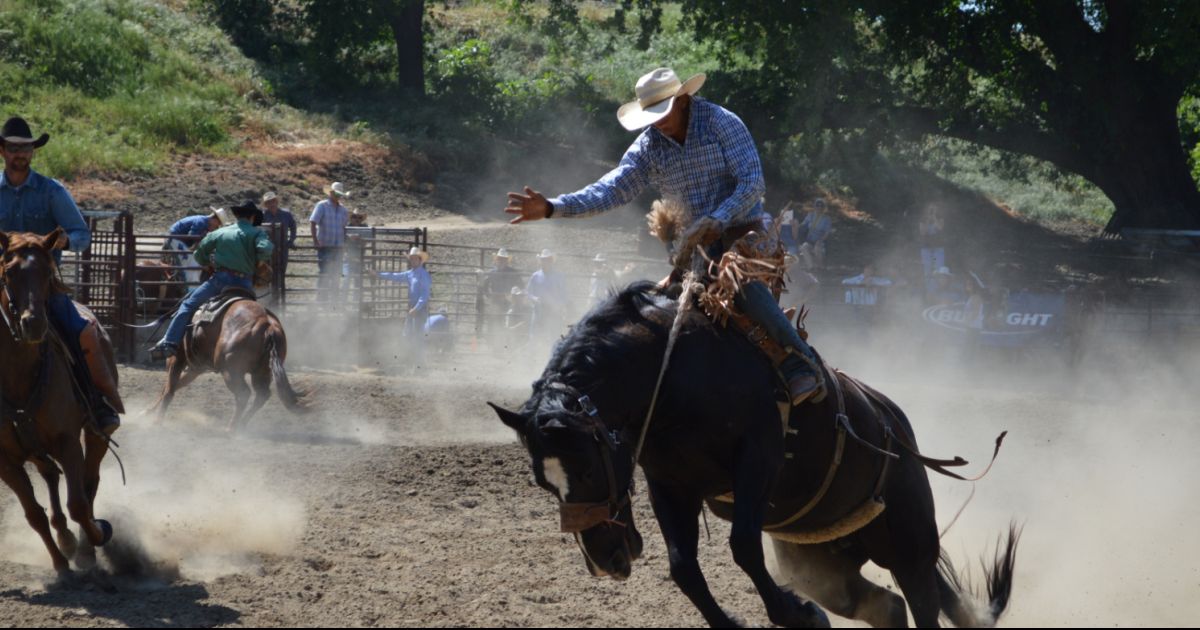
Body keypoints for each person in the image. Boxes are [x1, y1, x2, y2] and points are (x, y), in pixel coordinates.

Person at [504, 67, 823, 404]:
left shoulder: (721, 122)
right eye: (651, 116)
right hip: (695, 250)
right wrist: (554, 207)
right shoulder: (649, 146)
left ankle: (799, 362)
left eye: (663, 112)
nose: (657, 122)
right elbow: (613, 189)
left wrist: (718, 218)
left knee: (740, 280)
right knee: (644, 308)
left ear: (683, 99)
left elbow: (752, 182)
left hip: (744, 233)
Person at [0, 116, 123, 435]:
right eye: (13, 148)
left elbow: (82, 234)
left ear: (33, 152)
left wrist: (66, 240)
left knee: (81, 330)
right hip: (5, 284)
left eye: (25, 148)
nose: (20, 154)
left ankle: (98, 402)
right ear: (3, 151)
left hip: (44, 286)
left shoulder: (51, 191)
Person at [150, 201, 274, 359]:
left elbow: (199, 254)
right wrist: (258, 261)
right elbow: (266, 249)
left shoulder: (220, 232)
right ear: (252, 217)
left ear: (237, 215)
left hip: (220, 280)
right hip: (245, 283)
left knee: (188, 305)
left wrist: (208, 263)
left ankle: (170, 343)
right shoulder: (257, 233)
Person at [376, 246, 432, 364]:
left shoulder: (423, 275)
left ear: (420, 260)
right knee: (408, 335)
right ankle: (413, 362)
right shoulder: (410, 274)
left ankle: (419, 364)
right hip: (412, 309)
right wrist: (378, 274)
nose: (412, 261)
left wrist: (416, 308)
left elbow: (425, 295)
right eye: (411, 259)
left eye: (414, 259)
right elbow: (394, 276)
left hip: (418, 310)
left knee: (416, 337)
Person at [309, 182, 351, 304]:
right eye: (336, 193)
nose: (338, 196)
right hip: (325, 246)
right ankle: (322, 300)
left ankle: (333, 300)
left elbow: (343, 228)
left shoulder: (343, 209)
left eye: (339, 194)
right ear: (331, 193)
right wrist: (315, 241)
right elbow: (313, 222)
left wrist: (345, 243)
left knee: (336, 274)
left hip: (338, 247)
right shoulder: (322, 205)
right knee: (324, 273)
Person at [165, 210, 225, 285]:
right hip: (175, 238)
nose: (216, 227)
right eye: (217, 225)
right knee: (191, 261)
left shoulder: (203, 222)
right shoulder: (201, 222)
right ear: (215, 220)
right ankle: (189, 283)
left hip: (177, 238)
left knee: (188, 259)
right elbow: (192, 236)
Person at [524, 249, 569, 342]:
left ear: (551, 261)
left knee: (554, 335)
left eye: (548, 260)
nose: (545, 262)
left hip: (554, 311)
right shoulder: (535, 276)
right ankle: (534, 353)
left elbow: (564, 294)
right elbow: (528, 292)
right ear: (540, 261)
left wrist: (558, 305)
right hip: (539, 309)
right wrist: (535, 298)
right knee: (535, 334)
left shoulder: (559, 276)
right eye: (543, 260)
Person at [479, 248, 523, 336]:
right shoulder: (492, 272)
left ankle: (505, 341)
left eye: (504, 259)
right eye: (500, 259)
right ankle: (494, 342)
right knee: (494, 322)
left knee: (507, 320)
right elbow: (485, 286)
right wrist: (489, 296)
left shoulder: (513, 273)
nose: (502, 261)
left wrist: (512, 296)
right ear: (497, 260)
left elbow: (521, 285)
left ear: (507, 261)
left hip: (509, 301)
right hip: (496, 301)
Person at [260, 191, 297, 291]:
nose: (271, 204)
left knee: (281, 272)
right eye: (268, 202)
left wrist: (291, 240)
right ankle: (269, 297)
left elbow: (293, 226)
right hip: (267, 250)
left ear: (276, 201)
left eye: (272, 201)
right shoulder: (262, 215)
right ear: (266, 205)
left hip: (282, 248)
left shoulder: (286, 214)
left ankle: (279, 295)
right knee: (267, 273)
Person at [796, 198, 833, 271]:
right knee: (804, 247)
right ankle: (811, 266)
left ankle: (820, 266)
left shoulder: (827, 219)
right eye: (817, 205)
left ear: (824, 208)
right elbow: (803, 224)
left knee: (817, 248)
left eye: (821, 206)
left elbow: (827, 232)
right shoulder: (810, 215)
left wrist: (820, 240)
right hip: (810, 240)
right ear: (814, 207)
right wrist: (796, 225)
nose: (819, 207)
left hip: (820, 240)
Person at [342, 209, 368, 304]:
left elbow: (368, 241)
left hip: (359, 260)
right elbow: (342, 241)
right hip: (348, 259)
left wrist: (361, 239)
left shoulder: (365, 227)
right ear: (351, 218)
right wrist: (349, 238)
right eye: (354, 217)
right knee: (346, 280)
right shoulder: (346, 227)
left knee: (358, 282)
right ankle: (343, 303)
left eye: (359, 217)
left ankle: (356, 304)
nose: (357, 219)